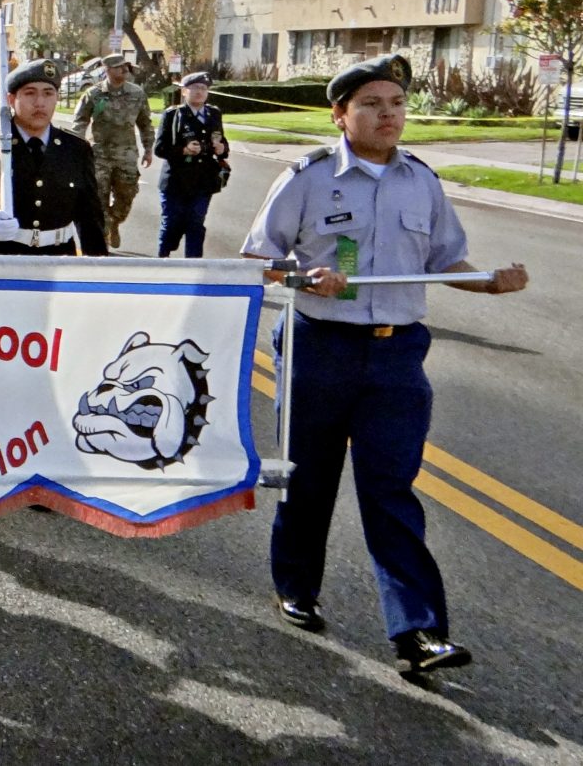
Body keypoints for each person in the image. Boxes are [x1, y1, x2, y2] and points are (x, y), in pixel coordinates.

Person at [241, 54, 528, 674]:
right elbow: (257, 259)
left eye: (396, 104)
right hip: (321, 347)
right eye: (371, 104)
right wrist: (305, 276)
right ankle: (295, 586)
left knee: (391, 489)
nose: (387, 115)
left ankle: (419, 632)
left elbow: (448, 261)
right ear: (340, 114)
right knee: (309, 480)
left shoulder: (420, 180)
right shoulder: (307, 177)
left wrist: (490, 282)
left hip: (398, 353)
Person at [0, 59, 108, 256]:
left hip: (58, 258)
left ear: (56, 98)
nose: (39, 102)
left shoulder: (75, 148)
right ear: (11, 99)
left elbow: (90, 218)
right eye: (30, 93)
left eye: (48, 93)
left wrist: (98, 270)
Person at [69, 53, 155, 249]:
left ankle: (114, 222)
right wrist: (77, 147)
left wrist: (148, 148)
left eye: (125, 67)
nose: (124, 70)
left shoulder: (137, 93)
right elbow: (80, 121)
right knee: (97, 198)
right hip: (99, 154)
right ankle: (103, 234)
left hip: (126, 154)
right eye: (119, 67)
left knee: (127, 195)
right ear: (106, 70)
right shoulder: (93, 94)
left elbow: (145, 123)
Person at [153, 71, 230, 257]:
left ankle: (193, 265)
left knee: (196, 223)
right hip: (176, 181)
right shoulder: (173, 115)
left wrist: (222, 148)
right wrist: (184, 150)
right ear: (184, 92)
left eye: (203, 89)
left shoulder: (213, 113)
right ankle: (162, 261)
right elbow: (160, 148)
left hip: (203, 181)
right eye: (195, 88)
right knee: (172, 224)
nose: (199, 92)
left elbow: (222, 143)